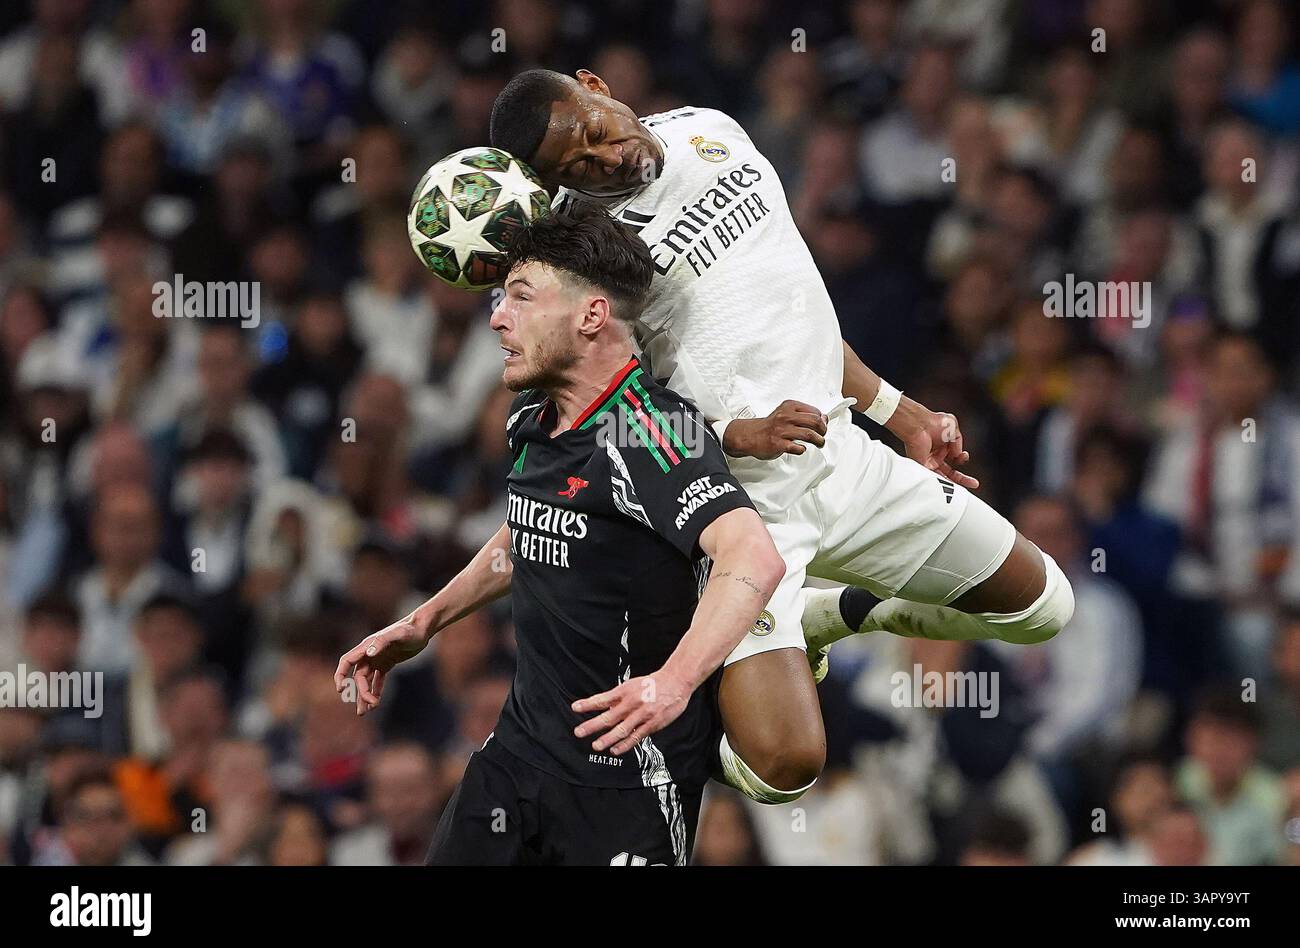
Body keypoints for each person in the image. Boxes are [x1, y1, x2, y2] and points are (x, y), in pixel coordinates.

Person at [483, 68, 1075, 805]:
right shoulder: (583, 253)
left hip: (845, 455)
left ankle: (838, 615)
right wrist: (738, 430)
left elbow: (795, 306)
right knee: (783, 771)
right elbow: (604, 414)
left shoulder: (711, 127)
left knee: (1045, 608)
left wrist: (902, 413)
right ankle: (738, 680)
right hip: (743, 509)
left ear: (597, 86)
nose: (603, 159)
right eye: (574, 167)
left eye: (596, 131)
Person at [334, 201, 784, 866]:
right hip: (518, 756)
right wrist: (424, 624)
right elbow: (526, 534)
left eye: (520, 297)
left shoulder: (652, 428)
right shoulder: (529, 420)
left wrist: (675, 682)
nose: (496, 318)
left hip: (627, 780)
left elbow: (751, 555)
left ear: (591, 315)